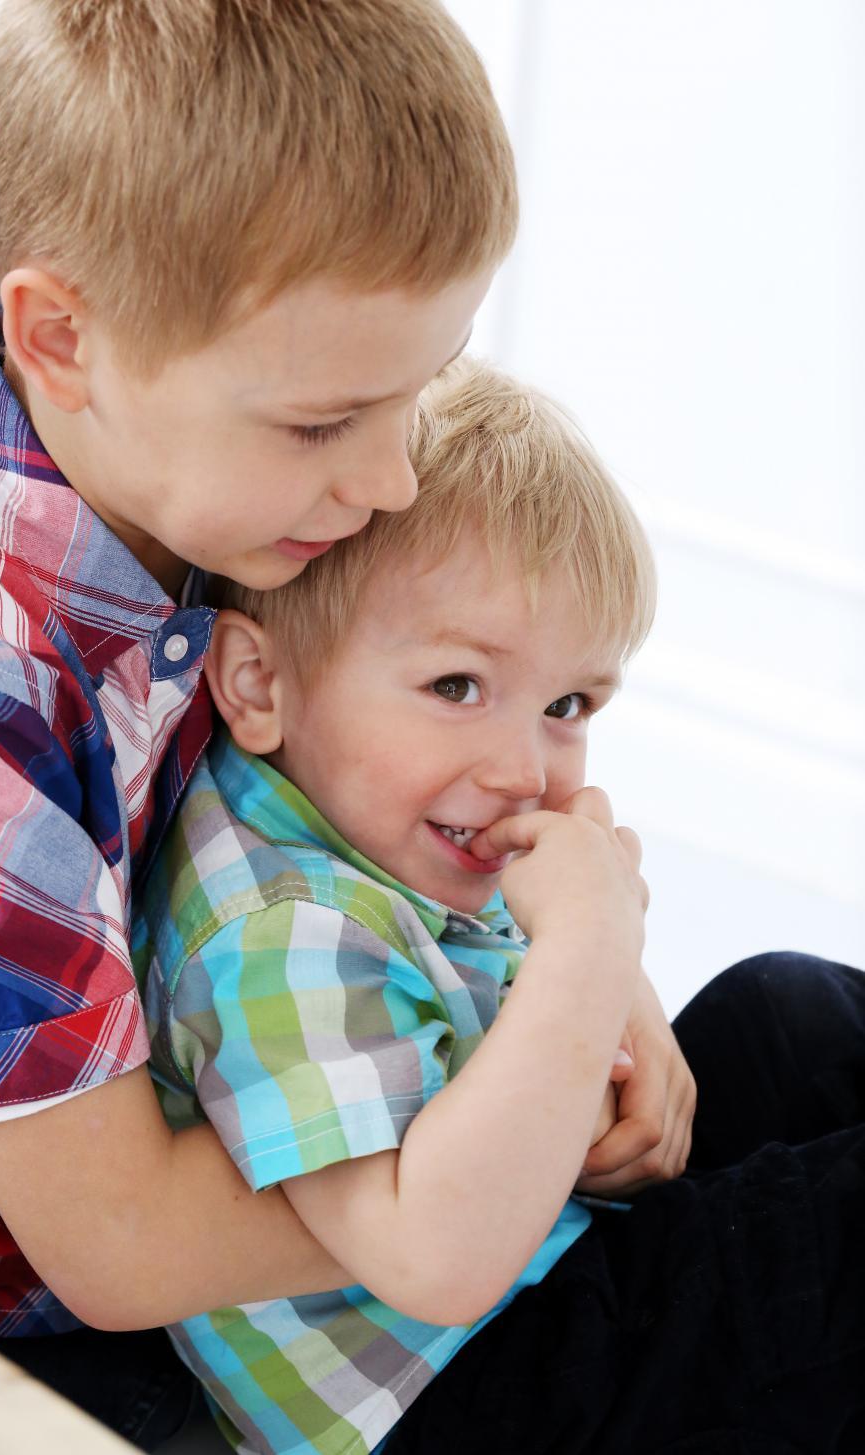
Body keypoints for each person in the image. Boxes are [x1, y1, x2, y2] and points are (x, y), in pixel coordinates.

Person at [0, 2, 517, 1445]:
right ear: (63, 339)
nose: (395, 478)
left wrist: (577, 976)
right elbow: (119, 1249)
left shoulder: (229, 471)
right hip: (67, 1304)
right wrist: (519, 1137)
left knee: (798, 1025)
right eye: (324, 423)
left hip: (324, 1086)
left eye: (419, 390)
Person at [137, 356, 865, 1455]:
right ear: (257, 684)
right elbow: (432, 1257)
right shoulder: (277, 931)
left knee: (789, 1010)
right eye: (458, 688)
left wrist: (615, 988)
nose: (526, 768)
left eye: (568, 705)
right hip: (474, 1396)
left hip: (548, 1280)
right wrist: (590, 947)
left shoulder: (359, 811)